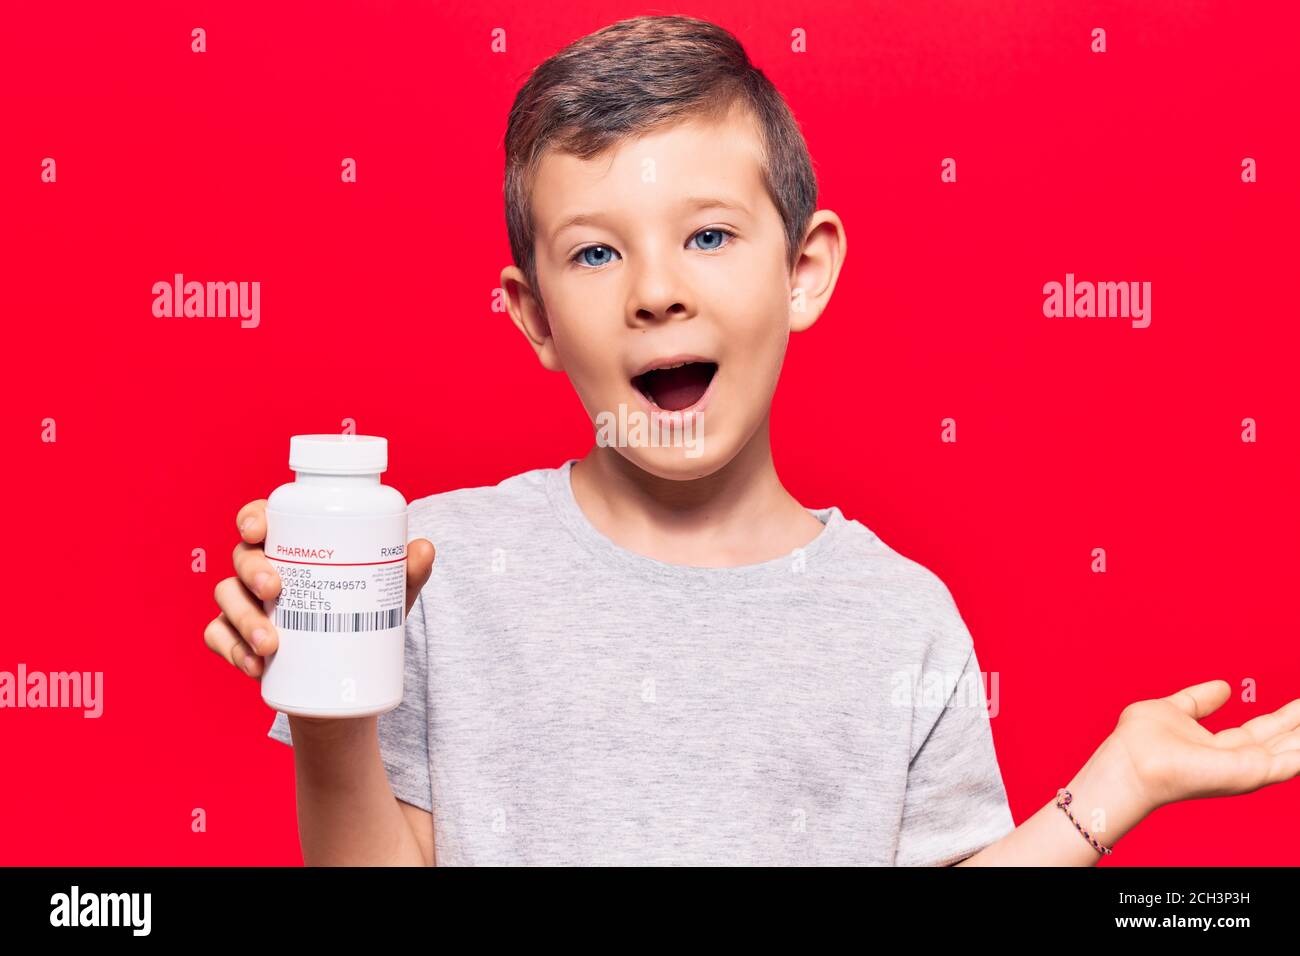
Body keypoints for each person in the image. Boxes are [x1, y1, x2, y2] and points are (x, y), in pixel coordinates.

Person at [204, 14, 1300, 866]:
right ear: (532, 313)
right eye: (593, 255)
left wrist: (1120, 781)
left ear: (802, 269)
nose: (658, 292)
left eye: (710, 234)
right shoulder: (426, 569)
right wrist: (329, 701)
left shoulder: (898, 616)